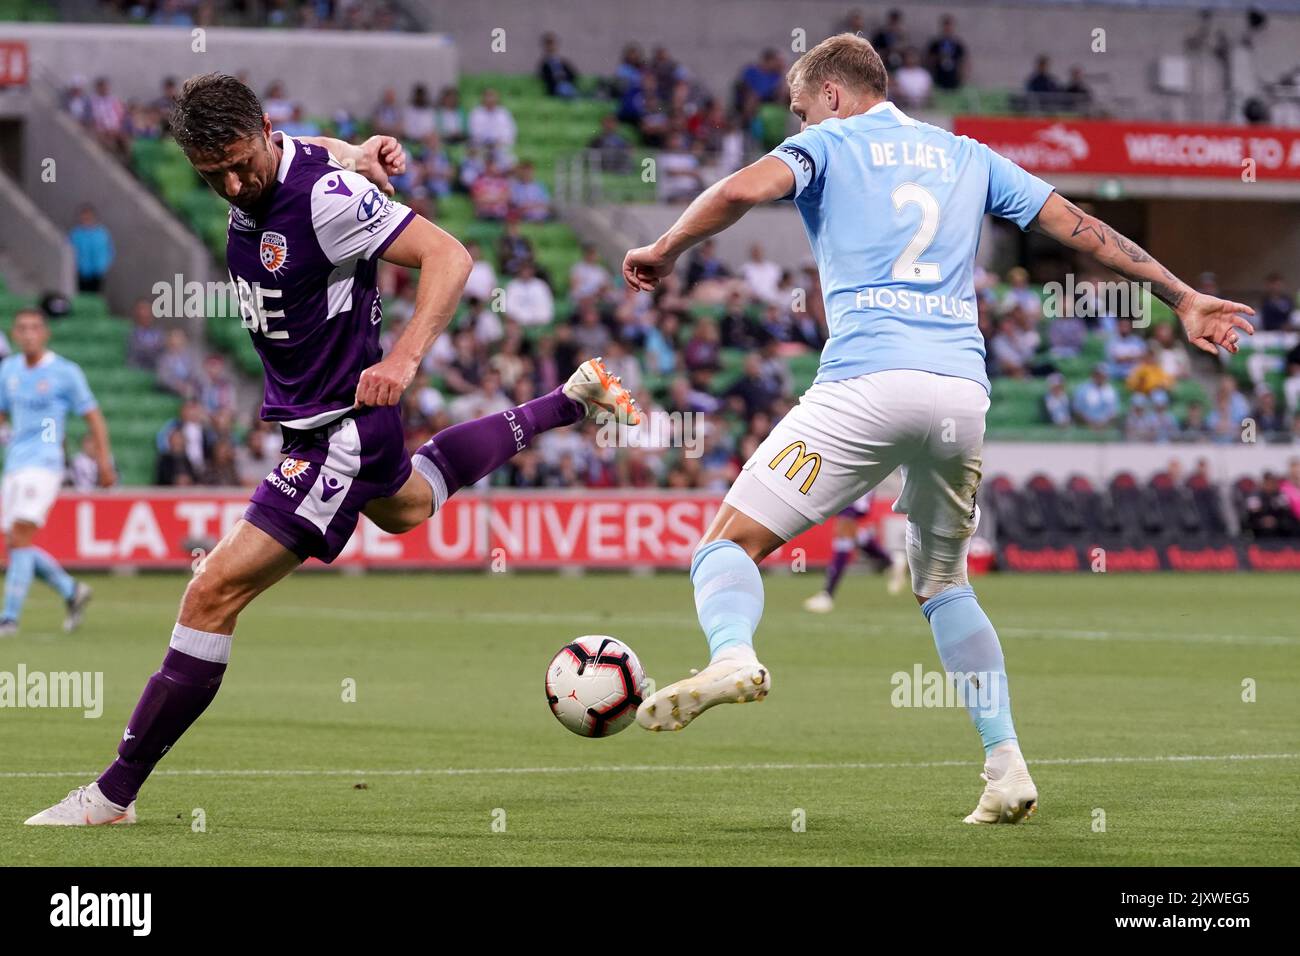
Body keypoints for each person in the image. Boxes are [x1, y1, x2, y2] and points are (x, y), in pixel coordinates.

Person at [622, 33, 1252, 824]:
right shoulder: (969, 155)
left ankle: (734, 656)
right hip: (961, 393)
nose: (799, 120)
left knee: (727, 544)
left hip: (866, 384)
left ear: (835, 95)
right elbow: (1081, 227)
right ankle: (1006, 765)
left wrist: (666, 246)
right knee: (946, 583)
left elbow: (742, 191)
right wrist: (1183, 296)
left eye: (800, 107)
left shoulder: (829, 141)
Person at [25, 73, 642, 827]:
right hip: (326, 419)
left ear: (261, 132)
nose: (230, 181)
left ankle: (112, 794)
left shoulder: (325, 200)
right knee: (408, 505)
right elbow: (311, 151)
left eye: (239, 161)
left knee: (211, 592)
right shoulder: (294, 158)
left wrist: (406, 357)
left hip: (338, 427)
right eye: (208, 171)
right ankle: (570, 398)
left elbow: (448, 256)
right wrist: (361, 150)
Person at [0, 308, 114, 637]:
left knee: (20, 534)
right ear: (15, 334)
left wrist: (104, 462)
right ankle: (71, 590)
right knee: (15, 542)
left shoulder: (65, 372)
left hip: (46, 462)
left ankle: (8, 618)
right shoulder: (8, 370)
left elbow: (93, 417)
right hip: (15, 464)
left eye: (35, 327)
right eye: (22, 328)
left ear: (45, 333)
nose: (29, 333)